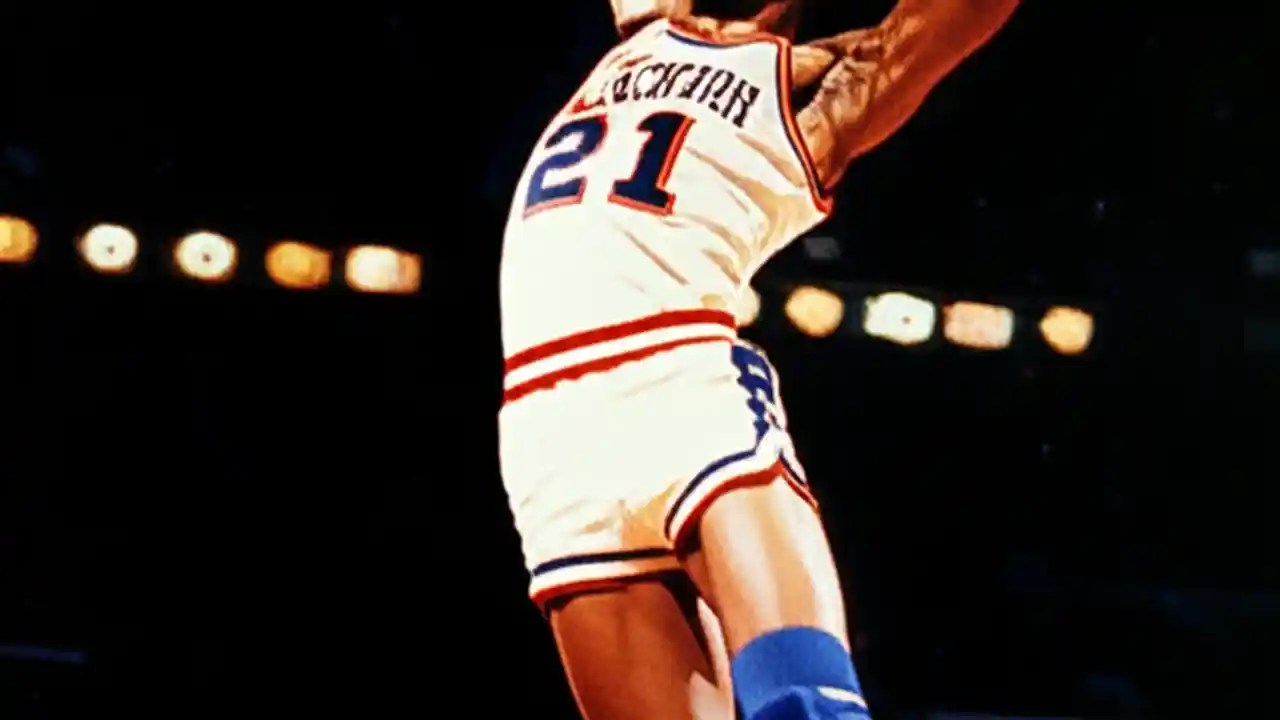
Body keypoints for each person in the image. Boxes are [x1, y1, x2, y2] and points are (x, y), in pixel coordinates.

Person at [497, 1, 1020, 717]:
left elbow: (934, 33)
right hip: (547, 432)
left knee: (804, 707)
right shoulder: (648, 28)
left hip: (680, 382)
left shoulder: (817, 87)